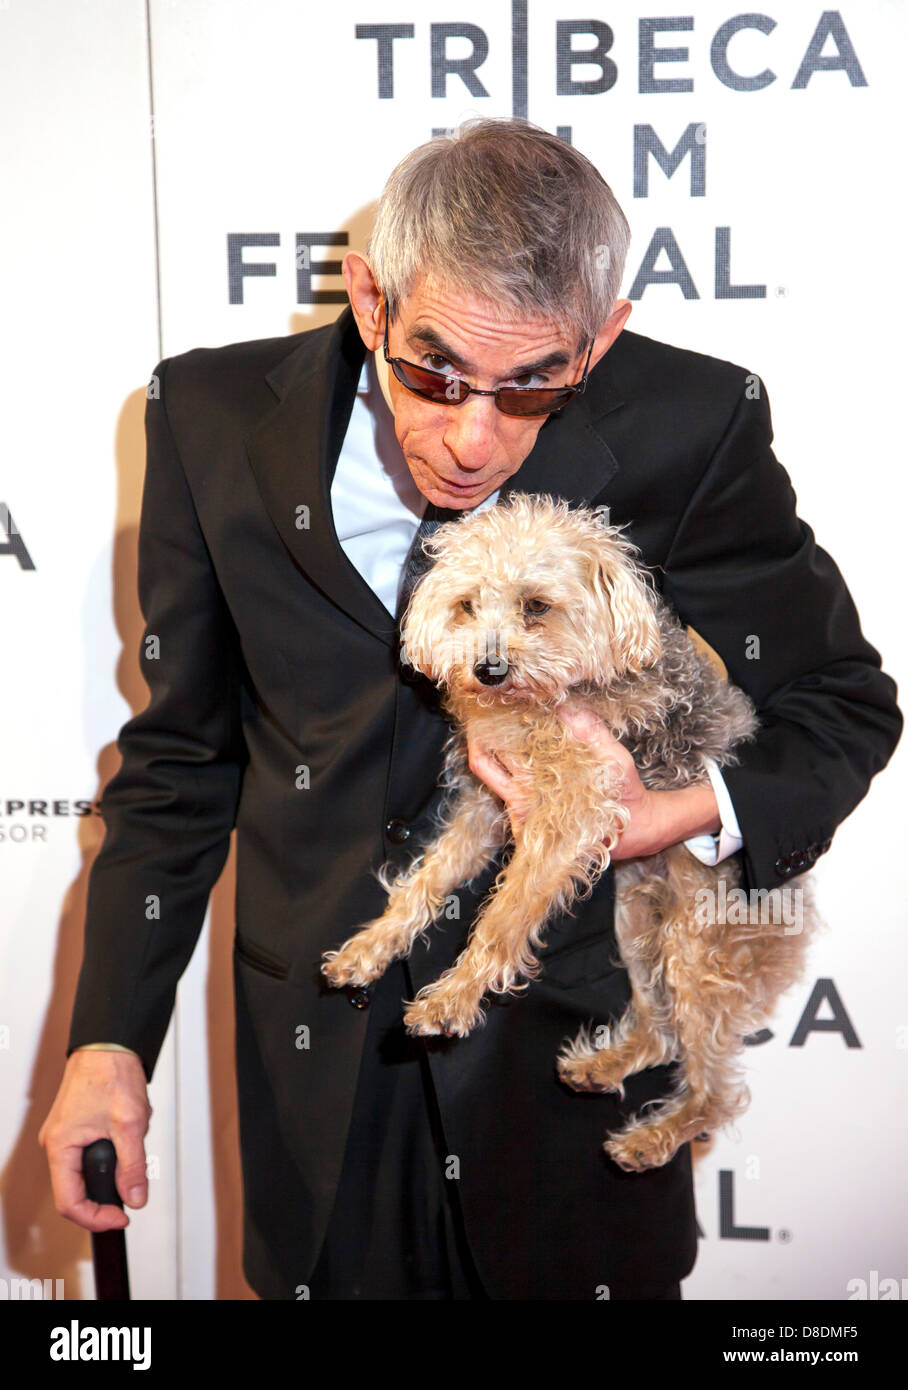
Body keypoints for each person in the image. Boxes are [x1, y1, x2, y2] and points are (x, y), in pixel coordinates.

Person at [40, 117, 901, 1300]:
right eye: (432, 371)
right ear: (371, 294)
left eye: (534, 384)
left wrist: (676, 812)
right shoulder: (208, 420)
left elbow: (839, 700)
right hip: (322, 1074)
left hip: (572, 1064)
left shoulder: (688, 426)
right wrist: (107, 1041)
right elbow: (182, 759)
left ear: (603, 339)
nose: (470, 437)